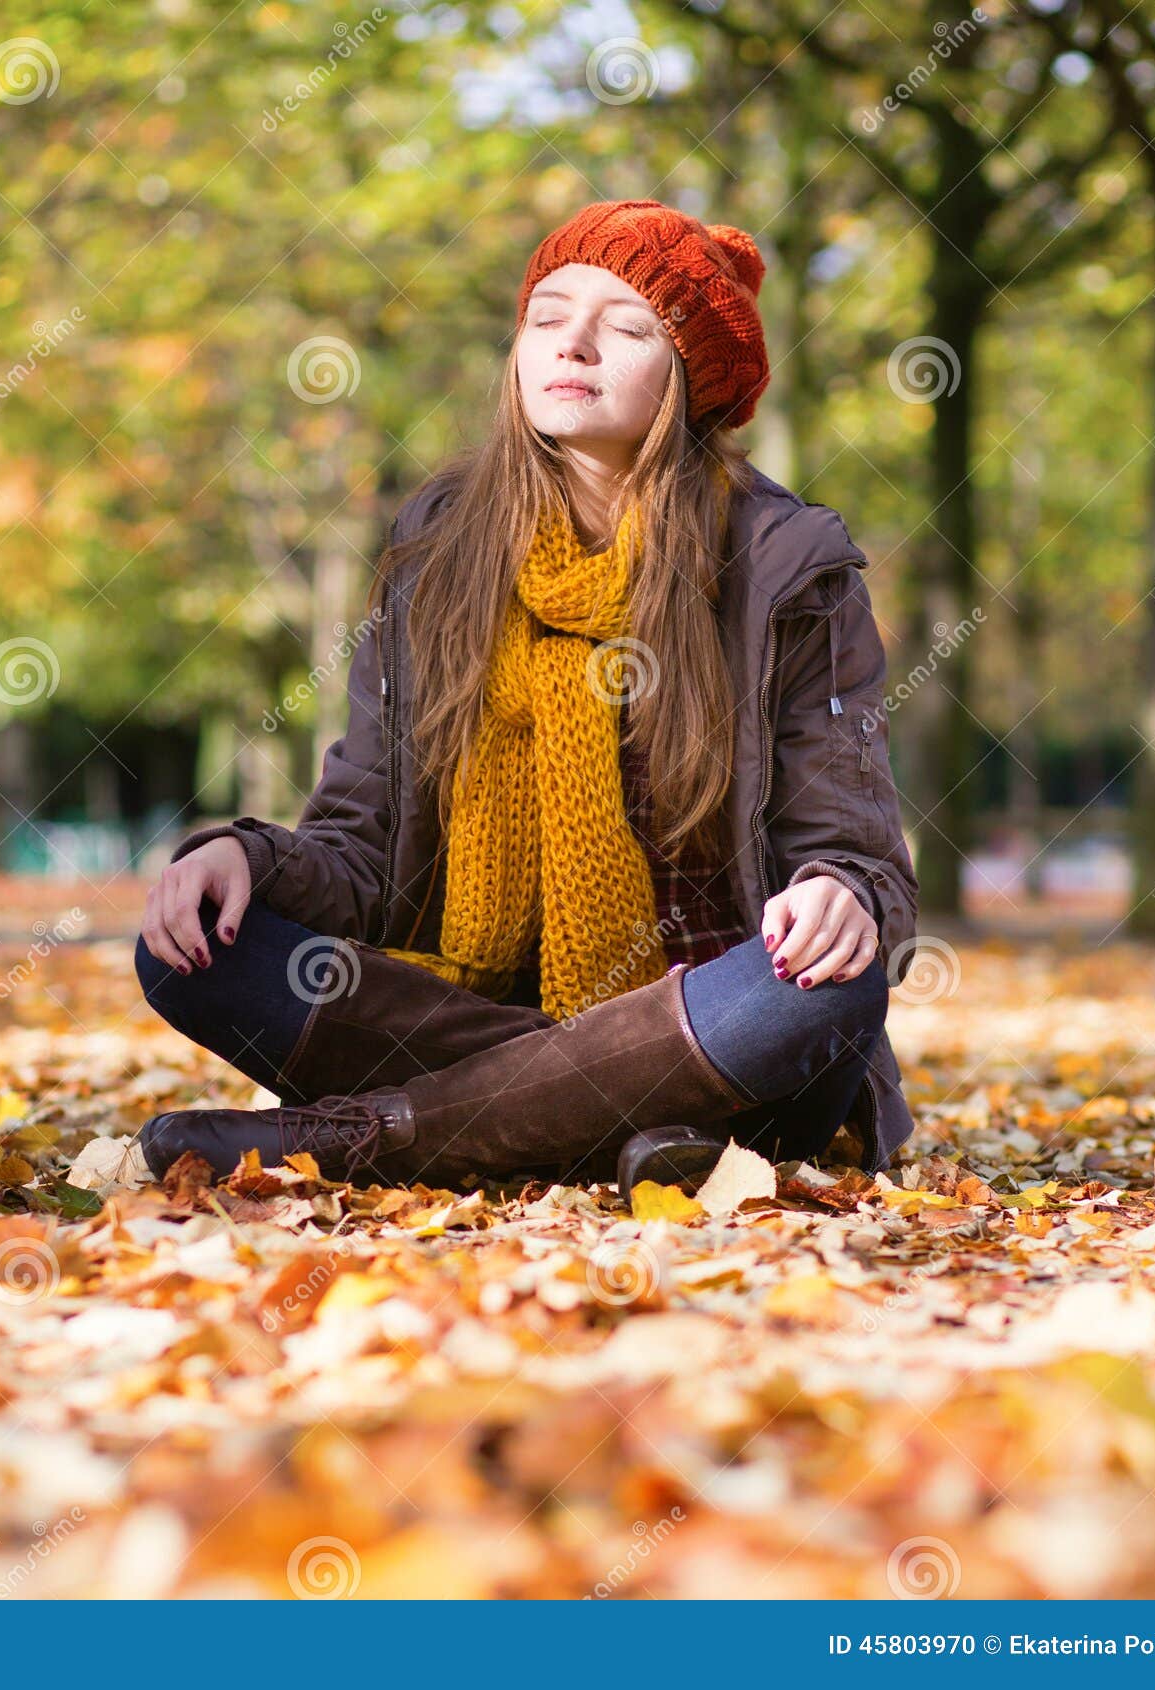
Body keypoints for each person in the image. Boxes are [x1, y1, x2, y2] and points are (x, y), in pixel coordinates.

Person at [134, 197, 920, 1195]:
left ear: (692, 379)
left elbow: (855, 849)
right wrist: (239, 855)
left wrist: (839, 892)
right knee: (195, 952)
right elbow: (363, 849)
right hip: (476, 1011)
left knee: (826, 990)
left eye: (627, 326)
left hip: (717, 1027)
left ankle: (364, 1138)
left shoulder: (782, 566)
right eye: (547, 316)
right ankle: (629, 1135)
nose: (575, 344)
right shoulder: (438, 550)